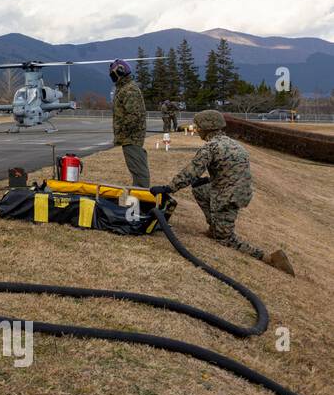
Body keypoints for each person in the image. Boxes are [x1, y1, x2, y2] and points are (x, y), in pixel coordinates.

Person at [151, 110, 294, 275]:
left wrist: (168, 189)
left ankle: (270, 258)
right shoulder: (232, 143)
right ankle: (214, 227)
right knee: (199, 189)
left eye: (198, 127)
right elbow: (230, 171)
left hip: (228, 196)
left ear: (207, 128)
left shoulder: (211, 147)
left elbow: (190, 172)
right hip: (236, 191)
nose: (196, 130)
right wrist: (209, 181)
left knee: (225, 239)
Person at [110, 58, 149, 188]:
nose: (113, 78)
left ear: (120, 72)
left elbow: (134, 116)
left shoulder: (129, 90)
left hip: (131, 137)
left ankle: (143, 201)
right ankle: (140, 198)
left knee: (139, 172)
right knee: (137, 170)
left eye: (113, 75)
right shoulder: (125, 88)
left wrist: (123, 132)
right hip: (129, 138)